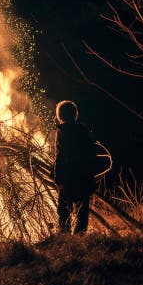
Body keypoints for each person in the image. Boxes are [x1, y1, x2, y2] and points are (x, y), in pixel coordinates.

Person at [53, 100, 98, 234]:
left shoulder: (62, 131)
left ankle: (65, 235)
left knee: (64, 209)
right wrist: (91, 176)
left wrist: (58, 178)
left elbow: (60, 156)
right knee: (82, 210)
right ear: (75, 114)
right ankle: (80, 236)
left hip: (68, 177)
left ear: (60, 115)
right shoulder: (84, 130)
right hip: (83, 176)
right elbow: (91, 154)